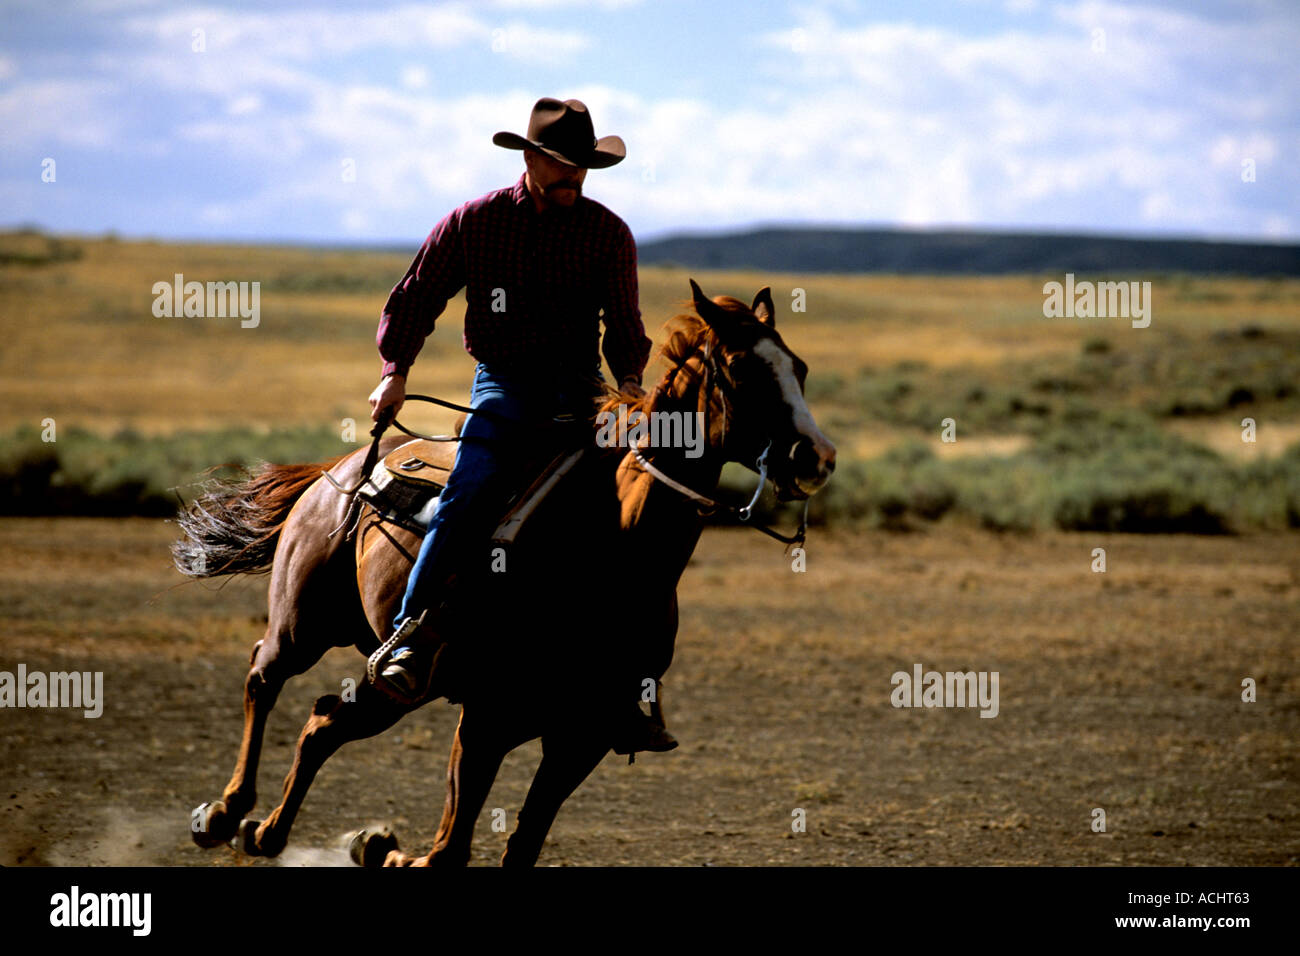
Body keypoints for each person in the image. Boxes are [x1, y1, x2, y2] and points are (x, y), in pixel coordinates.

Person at [366, 97, 677, 754]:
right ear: (531, 159)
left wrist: (628, 386)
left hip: (584, 392)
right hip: (504, 385)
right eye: (564, 166)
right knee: (469, 493)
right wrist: (395, 371)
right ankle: (410, 637)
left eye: (584, 169)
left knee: (625, 518)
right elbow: (418, 294)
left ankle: (629, 686)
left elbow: (624, 323)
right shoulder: (475, 223)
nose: (576, 180)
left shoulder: (607, 233)